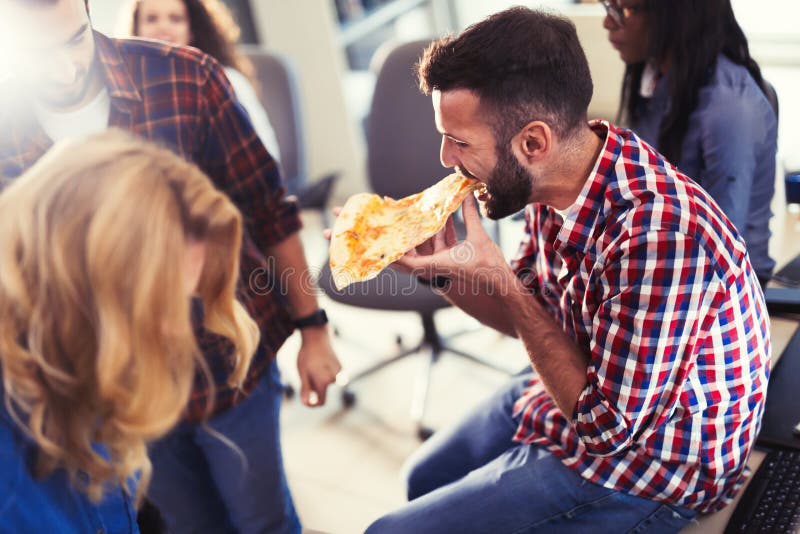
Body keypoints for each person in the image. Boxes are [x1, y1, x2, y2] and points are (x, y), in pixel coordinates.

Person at [359, 7, 770, 533]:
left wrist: (502, 281)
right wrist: (436, 272)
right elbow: (528, 314)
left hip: (649, 466)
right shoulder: (549, 176)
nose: (445, 158)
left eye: (460, 141)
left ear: (533, 142)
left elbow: (604, 431)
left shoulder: (663, 238)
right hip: (579, 390)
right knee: (421, 476)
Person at [0, 1, 342, 533]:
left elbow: (270, 209)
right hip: (112, 390)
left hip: (226, 368)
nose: (65, 70)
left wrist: (313, 328)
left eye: (74, 41)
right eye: (38, 54)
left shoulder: (185, 78)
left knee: (264, 520)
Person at [0, 129, 258, 531]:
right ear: (75, 287)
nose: (176, 332)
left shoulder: (75, 369)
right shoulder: (12, 491)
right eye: (158, 305)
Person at [601, 0, 778, 286]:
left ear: (673, 14)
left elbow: (720, 253)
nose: (608, 23)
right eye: (608, 7)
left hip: (719, 296)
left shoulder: (728, 106)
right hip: (668, 268)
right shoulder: (658, 78)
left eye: (623, 12)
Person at [125, 0, 282, 165]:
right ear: (136, 30)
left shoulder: (225, 79)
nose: (163, 27)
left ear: (192, 29)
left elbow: (266, 156)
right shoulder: (125, 91)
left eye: (176, 18)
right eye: (151, 19)